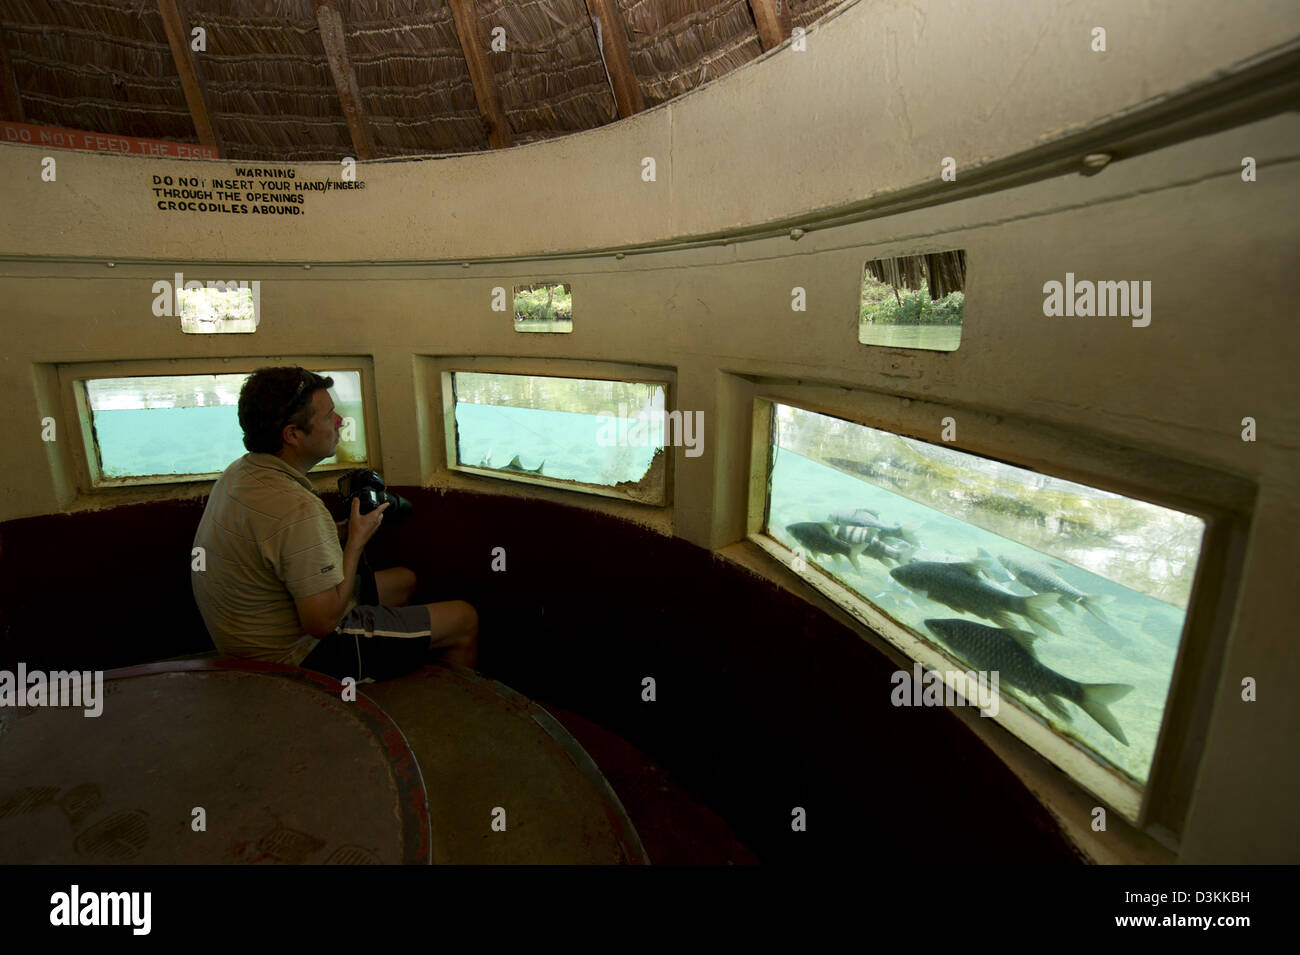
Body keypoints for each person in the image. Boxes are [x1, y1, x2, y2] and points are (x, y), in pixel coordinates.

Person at [190, 366, 477, 682]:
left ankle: (380, 671)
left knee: (403, 581)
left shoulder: (241, 473)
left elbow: (282, 547)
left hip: (250, 637)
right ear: (293, 434)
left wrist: (337, 531)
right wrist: (355, 541)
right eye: (328, 416)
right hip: (294, 658)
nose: (340, 421)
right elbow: (321, 623)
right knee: (464, 620)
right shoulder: (296, 508)